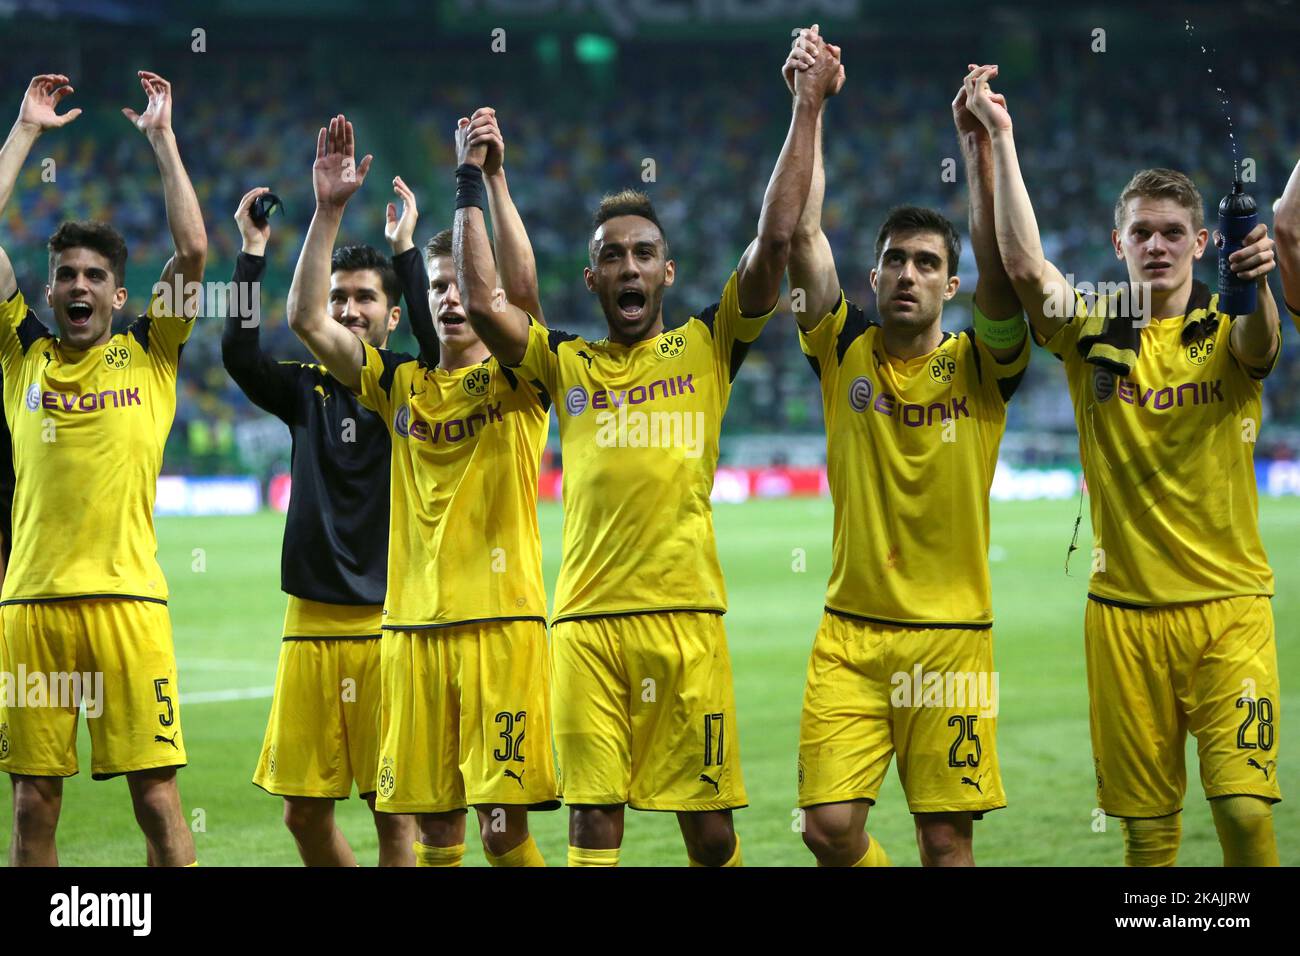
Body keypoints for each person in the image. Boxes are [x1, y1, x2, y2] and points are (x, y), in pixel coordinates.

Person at [968, 65, 1283, 866]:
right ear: (1118, 244)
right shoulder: (1096, 328)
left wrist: (1259, 282)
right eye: (1140, 232)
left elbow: (1262, 346)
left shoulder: (1227, 328)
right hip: (1123, 619)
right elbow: (1026, 269)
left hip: (1230, 610)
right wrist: (1002, 139)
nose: (1155, 245)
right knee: (1148, 832)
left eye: (1173, 232)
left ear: (1202, 243)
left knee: (1245, 815)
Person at [287, 115, 557, 866]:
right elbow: (307, 319)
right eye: (436, 287)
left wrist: (489, 179)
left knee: (503, 827)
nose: (449, 299)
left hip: (501, 628)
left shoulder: (520, 380)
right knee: (437, 832)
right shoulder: (398, 384)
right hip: (409, 635)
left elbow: (526, 302)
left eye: (461, 287)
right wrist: (329, 210)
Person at [0, 72, 205, 866]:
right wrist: (24, 133)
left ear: (119, 297)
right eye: (67, 276)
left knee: (157, 800)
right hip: (33, 610)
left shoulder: (152, 352)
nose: (79, 286)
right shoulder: (20, 355)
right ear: (47, 289)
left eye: (95, 278)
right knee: (32, 806)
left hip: (130, 608)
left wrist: (162, 140)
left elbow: (191, 250)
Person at [224, 186, 416, 866]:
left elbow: (444, 332)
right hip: (308, 628)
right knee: (303, 816)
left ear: (393, 317)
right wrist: (251, 254)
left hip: (390, 628)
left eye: (365, 298)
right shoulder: (306, 389)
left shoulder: (413, 387)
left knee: (396, 816)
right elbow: (240, 355)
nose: (349, 310)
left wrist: (407, 250)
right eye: (339, 297)